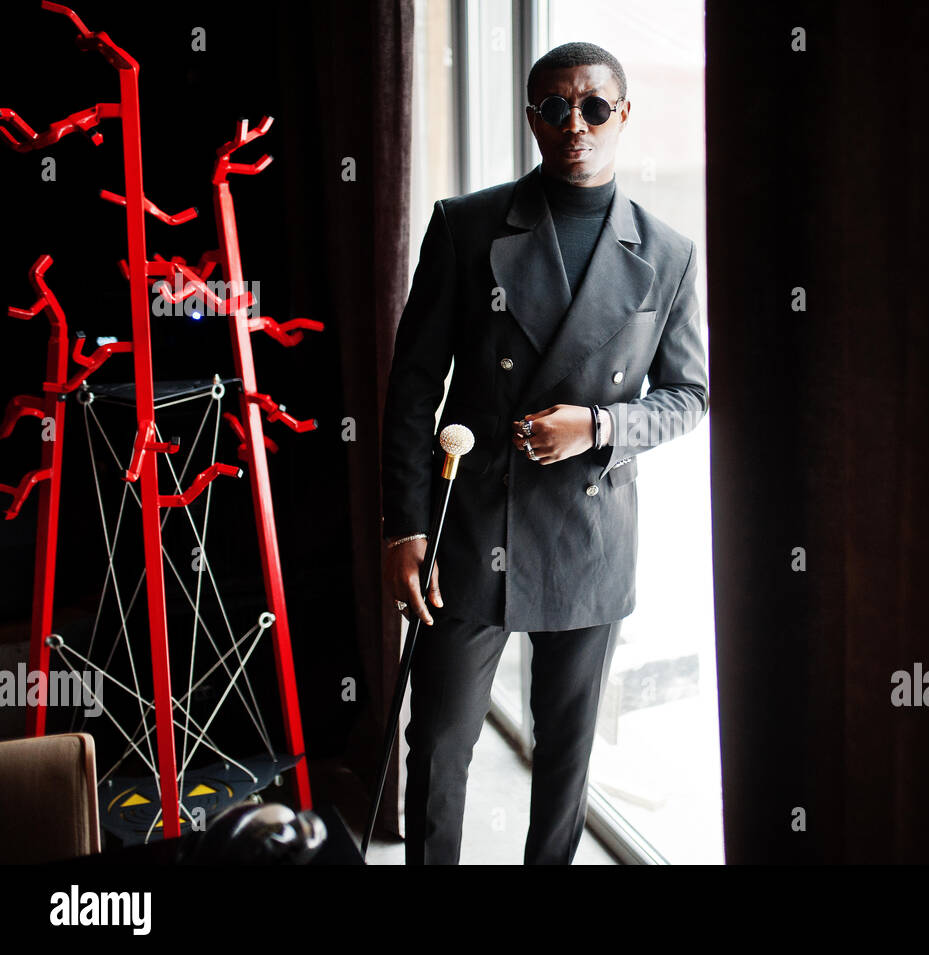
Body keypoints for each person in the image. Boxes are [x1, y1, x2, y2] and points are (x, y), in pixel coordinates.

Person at [380, 41, 709, 864]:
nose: (576, 125)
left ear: (623, 115)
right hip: (469, 529)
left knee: (565, 763)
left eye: (595, 106)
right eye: (555, 107)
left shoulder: (667, 253)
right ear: (532, 118)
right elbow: (413, 385)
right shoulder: (467, 225)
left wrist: (598, 425)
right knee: (440, 747)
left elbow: (691, 395)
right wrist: (403, 527)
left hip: (589, 540)